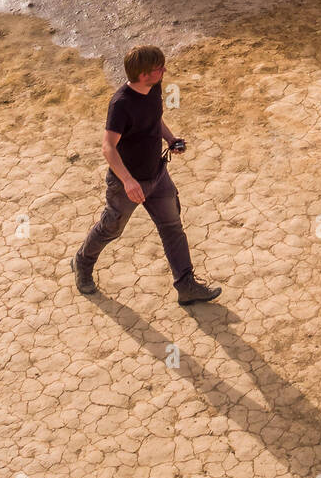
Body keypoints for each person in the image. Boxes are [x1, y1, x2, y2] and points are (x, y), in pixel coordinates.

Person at [72, 46, 220, 306]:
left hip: (158, 175)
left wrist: (171, 139)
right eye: (158, 68)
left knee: (172, 227)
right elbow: (108, 147)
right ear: (142, 74)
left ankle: (186, 286)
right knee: (111, 228)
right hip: (126, 184)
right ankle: (82, 262)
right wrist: (128, 181)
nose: (164, 71)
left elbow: (155, 118)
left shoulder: (154, 87)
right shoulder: (121, 104)